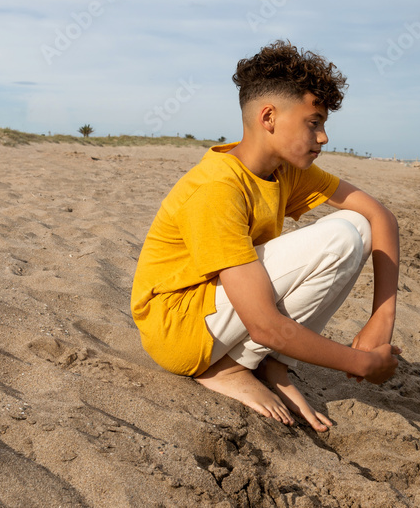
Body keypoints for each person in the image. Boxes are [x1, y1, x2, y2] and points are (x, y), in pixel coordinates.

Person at [131, 40, 400, 432]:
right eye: (314, 122)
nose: (323, 137)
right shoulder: (216, 188)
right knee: (342, 235)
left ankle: (271, 364)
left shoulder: (285, 169)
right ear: (269, 117)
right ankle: (229, 369)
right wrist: (362, 363)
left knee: (358, 225)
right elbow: (263, 325)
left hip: (220, 307)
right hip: (179, 328)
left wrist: (382, 317)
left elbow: (381, 216)